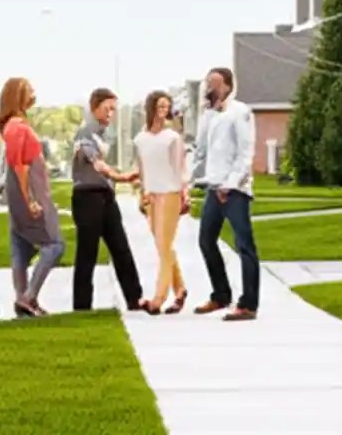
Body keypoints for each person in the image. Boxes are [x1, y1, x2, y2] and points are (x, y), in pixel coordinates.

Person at [70, 87, 148, 313]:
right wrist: (122, 177)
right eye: (107, 108)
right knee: (88, 252)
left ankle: (135, 298)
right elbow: (97, 165)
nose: (111, 114)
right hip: (87, 197)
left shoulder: (104, 134)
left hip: (105, 196)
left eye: (114, 109)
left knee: (120, 247)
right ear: (95, 107)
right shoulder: (85, 133)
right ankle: (82, 306)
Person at [192, 67, 260, 322]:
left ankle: (249, 304)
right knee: (206, 240)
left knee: (244, 245)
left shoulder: (240, 112)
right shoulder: (210, 114)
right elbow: (201, 150)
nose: (211, 87)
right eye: (208, 83)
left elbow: (245, 153)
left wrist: (229, 185)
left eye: (216, 83)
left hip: (235, 191)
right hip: (213, 187)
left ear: (229, 86)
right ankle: (221, 295)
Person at [0, 77, 65, 317]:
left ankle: (23, 301)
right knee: (55, 245)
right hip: (30, 195)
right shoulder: (17, 127)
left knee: (22, 247)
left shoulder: (13, 126)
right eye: (29, 90)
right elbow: (20, 167)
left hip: (22, 196)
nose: (34, 93)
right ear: (18, 95)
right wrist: (31, 200)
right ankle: (28, 297)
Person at [133, 90, 190, 315]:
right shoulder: (140, 139)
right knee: (162, 246)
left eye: (166, 107)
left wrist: (185, 193)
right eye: (159, 106)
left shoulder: (172, 138)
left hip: (170, 193)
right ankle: (181, 290)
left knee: (164, 245)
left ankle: (157, 299)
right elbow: (142, 170)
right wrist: (142, 193)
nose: (163, 111)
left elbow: (180, 169)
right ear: (150, 108)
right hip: (151, 195)